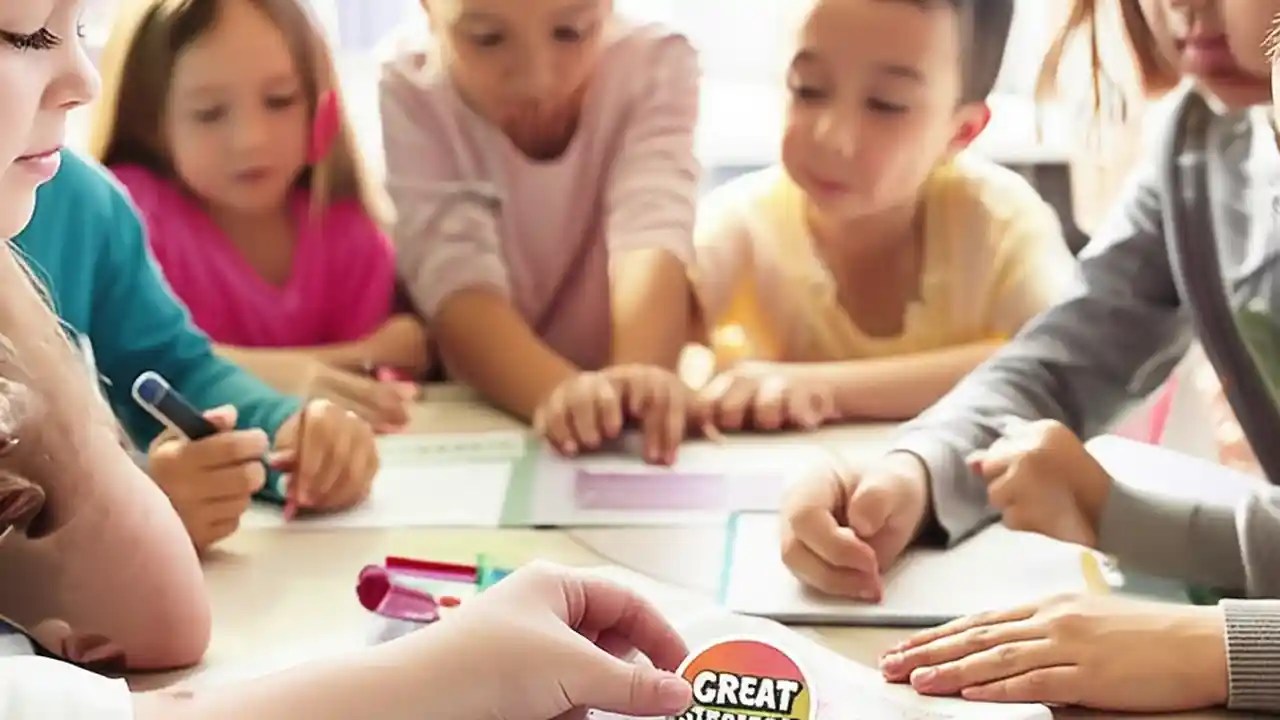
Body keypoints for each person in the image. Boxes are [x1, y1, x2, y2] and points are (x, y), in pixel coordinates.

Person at [1, 5, 696, 717]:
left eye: (77, 29)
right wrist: (138, 506)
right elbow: (150, 612)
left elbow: (182, 368)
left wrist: (299, 430)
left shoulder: (83, 207)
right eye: (24, 35)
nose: (82, 78)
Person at [782, 0, 1280, 712]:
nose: (1183, 6)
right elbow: (1064, 355)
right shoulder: (1197, 142)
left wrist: (1220, 650)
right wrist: (916, 471)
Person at [690, 0, 1075, 433]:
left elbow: (1062, 362)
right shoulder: (740, 224)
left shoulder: (998, 222)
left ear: (961, 131)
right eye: (808, 89)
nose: (833, 137)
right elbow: (647, 359)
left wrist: (824, 389)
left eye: (886, 104)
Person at [381, 0, 702, 465]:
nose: (539, 80)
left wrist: (638, 382)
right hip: (484, 415)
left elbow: (652, 230)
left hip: (606, 416)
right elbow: (454, 281)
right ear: (427, 8)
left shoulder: (656, 62)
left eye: (572, 31)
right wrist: (562, 394)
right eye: (487, 38)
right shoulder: (410, 87)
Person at [91, 0, 425, 433]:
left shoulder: (341, 226)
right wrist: (292, 376)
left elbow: (403, 353)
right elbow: (127, 364)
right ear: (153, 124)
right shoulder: (130, 215)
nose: (251, 139)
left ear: (321, 109)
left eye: (280, 101)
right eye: (210, 113)